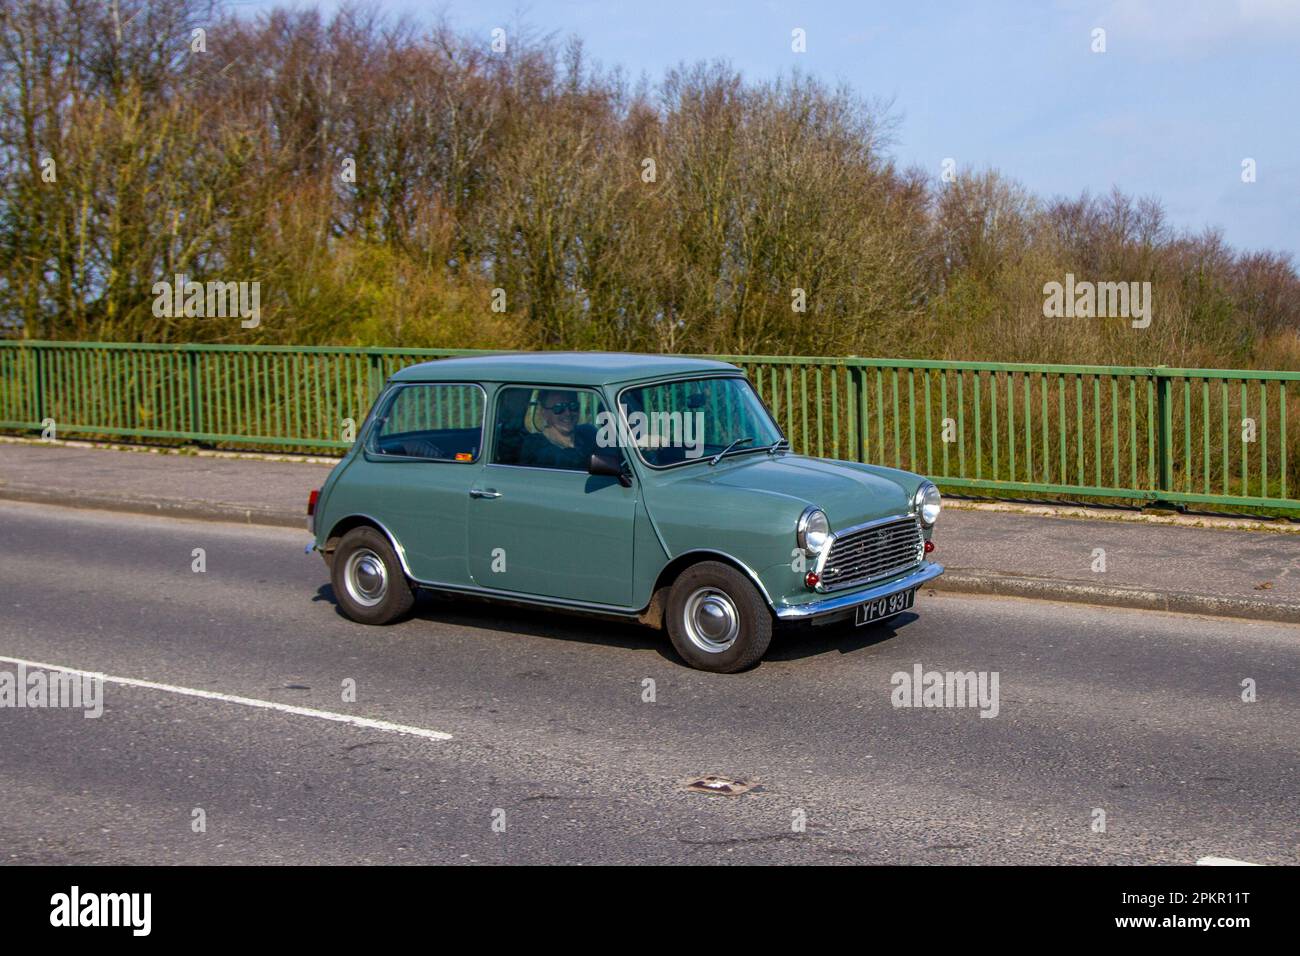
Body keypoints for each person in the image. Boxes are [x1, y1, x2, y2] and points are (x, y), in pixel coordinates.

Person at [520, 389, 599, 470]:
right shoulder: (535, 447)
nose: (568, 413)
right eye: (558, 408)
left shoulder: (589, 433)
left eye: (573, 406)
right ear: (544, 413)